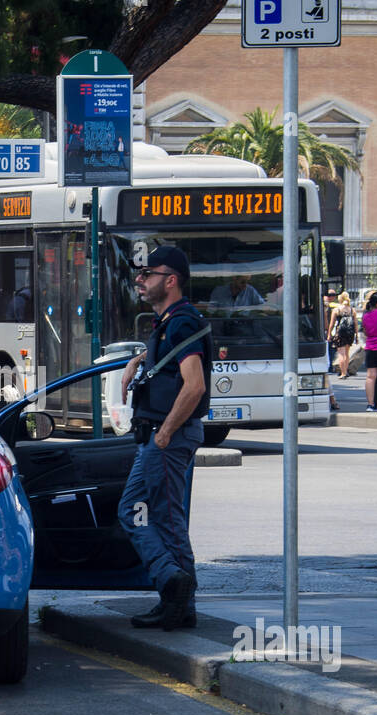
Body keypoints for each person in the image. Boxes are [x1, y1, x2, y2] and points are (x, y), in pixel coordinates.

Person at [117, 246, 209, 630]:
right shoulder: (169, 322)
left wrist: (166, 433)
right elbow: (171, 365)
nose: (140, 280)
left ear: (170, 280)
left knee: (164, 518)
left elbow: (195, 385)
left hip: (167, 436)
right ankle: (177, 598)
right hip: (159, 436)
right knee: (141, 512)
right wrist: (139, 359)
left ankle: (174, 588)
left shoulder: (182, 322)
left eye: (148, 273)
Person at [329, 291, 357, 379]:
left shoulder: (336, 309)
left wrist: (329, 334)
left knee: (341, 353)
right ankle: (346, 370)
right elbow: (355, 324)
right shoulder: (352, 310)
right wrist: (356, 334)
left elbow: (332, 323)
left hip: (340, 332)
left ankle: (343, 373)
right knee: (347, 353)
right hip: (350, 333)